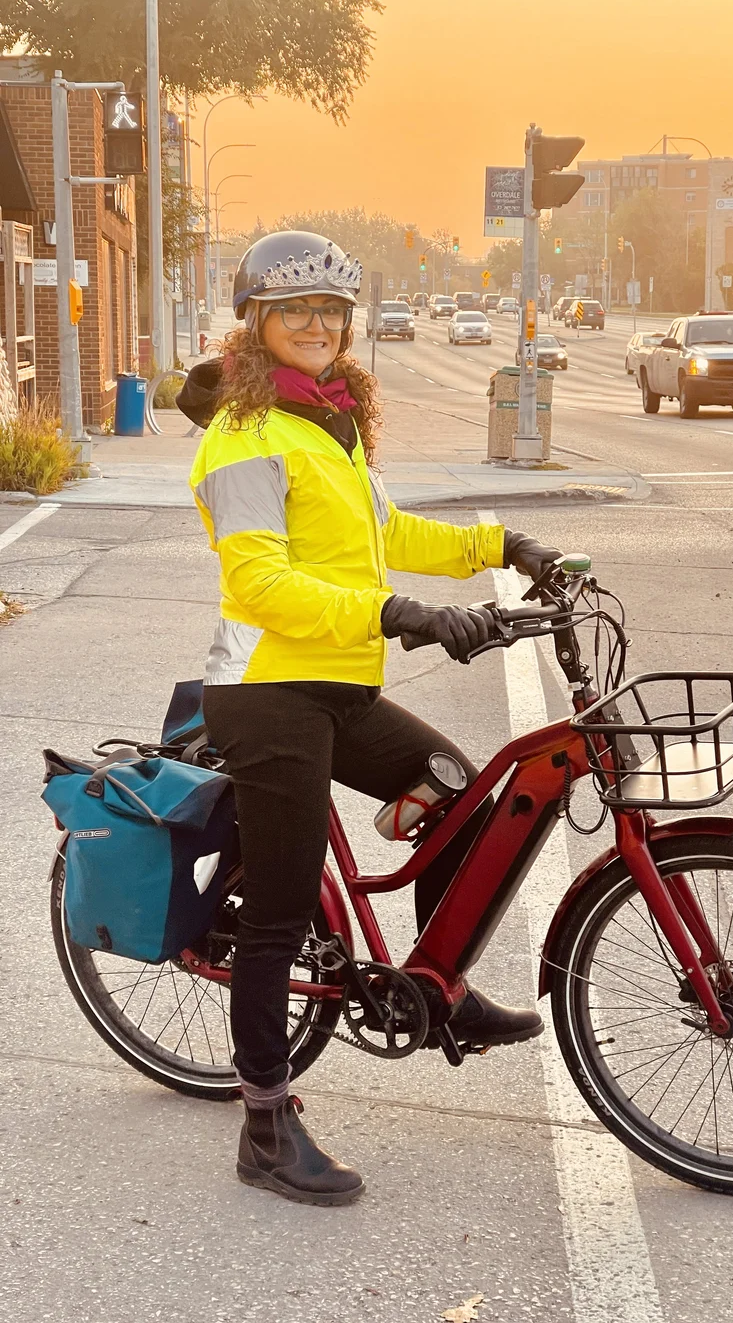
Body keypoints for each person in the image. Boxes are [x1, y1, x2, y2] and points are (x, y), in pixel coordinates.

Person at [177, 231, 563, 1208]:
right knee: (277, 905)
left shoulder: (328, 421)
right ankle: (265, 1122)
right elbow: (261, 582)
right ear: (254, 320)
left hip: (337, 680)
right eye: (294, 308)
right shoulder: (244, 434)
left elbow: (386, 532)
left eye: (331, 309)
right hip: (266, 691)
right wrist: (402, 613)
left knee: (461, 790)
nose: (317, 324)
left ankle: (439, 985)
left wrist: (503, 543)